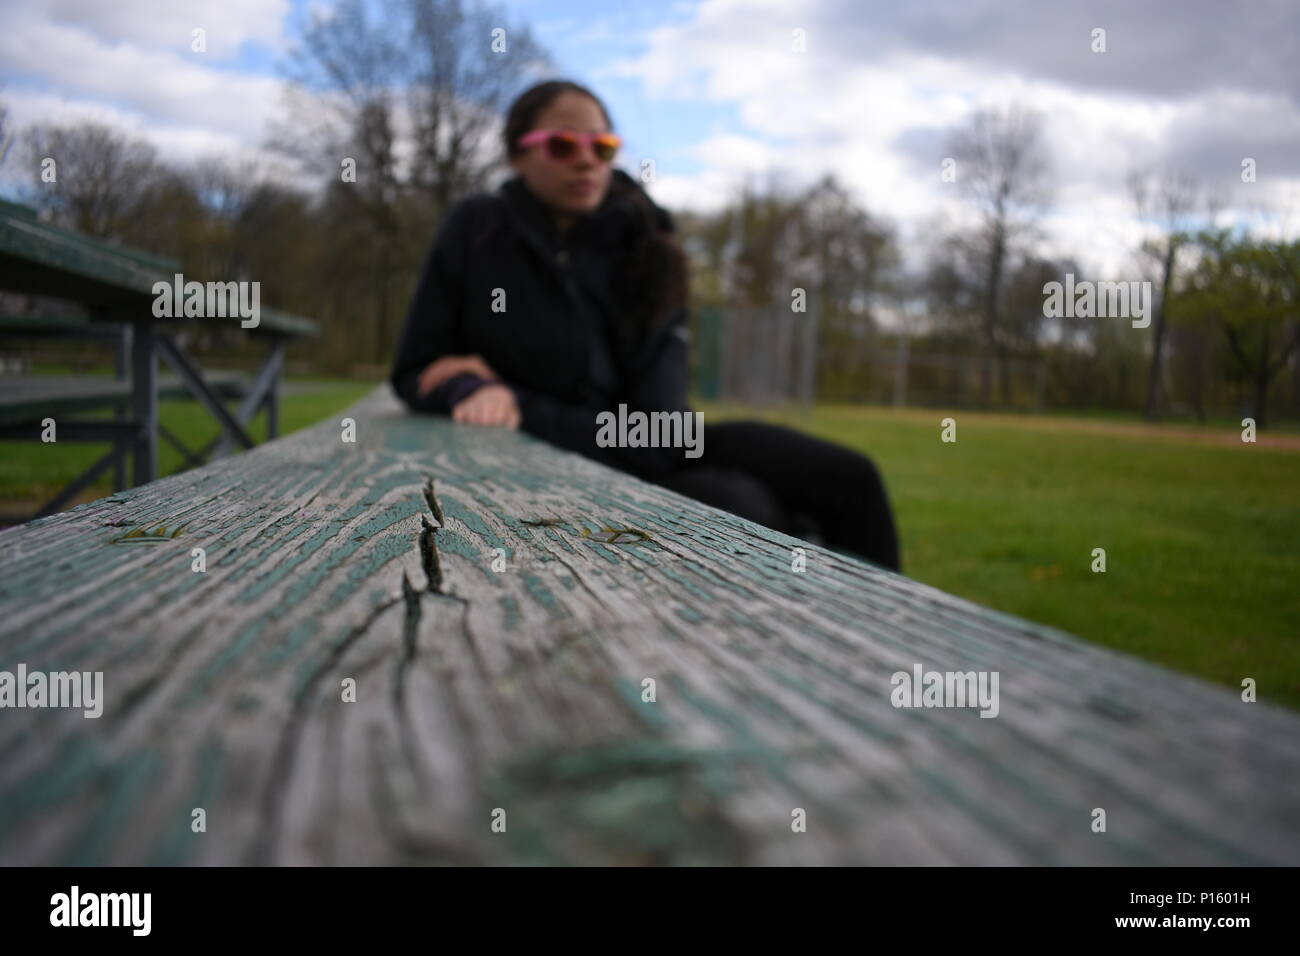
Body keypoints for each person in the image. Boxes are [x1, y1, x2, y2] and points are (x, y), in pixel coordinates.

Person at [390, 79, 901, 572]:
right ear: (516, 153)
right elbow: (416, 368)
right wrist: (469, 386)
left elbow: (657, 433)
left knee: (850, 476)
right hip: (565, 462)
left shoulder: (651, 244)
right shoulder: (476, 229)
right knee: (741, 504)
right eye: (562, 145)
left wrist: (518, 405)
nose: (586, 159)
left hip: (657, 438)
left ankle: (897, 643)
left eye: (603, 145)